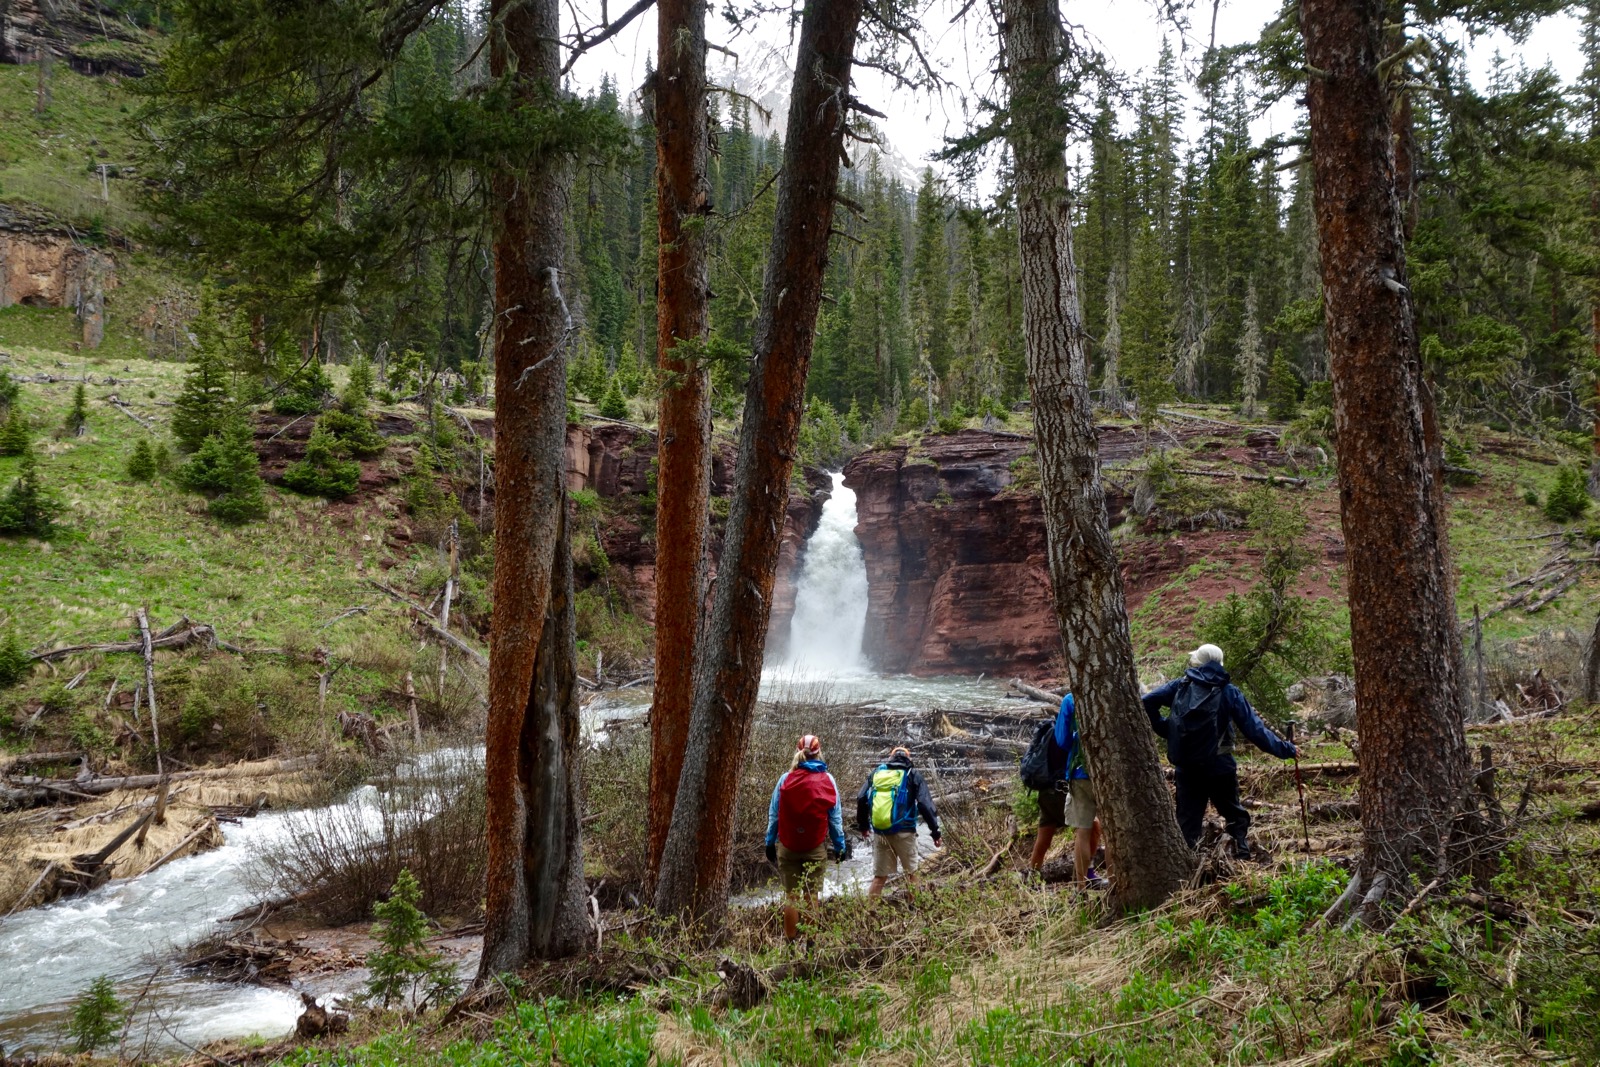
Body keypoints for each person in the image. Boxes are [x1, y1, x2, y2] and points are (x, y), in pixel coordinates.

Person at [1142, 643, 1299, 858]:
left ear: (1197, 662)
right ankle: (1242, 859)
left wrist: (1165, 729)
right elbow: (1255, 730)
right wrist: (1286, 750)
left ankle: (1188, 871)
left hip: (1187, 767)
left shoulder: (1180, 686)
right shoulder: (1229, 691)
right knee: (1234, 815)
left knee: (1188, 823)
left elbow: (1147, 702)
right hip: (1219, 765)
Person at [765, 734, 847, 942]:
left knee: (791, 897)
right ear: (819, 753)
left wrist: (769, 842)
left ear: (797, 752)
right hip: (815, 846)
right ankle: (811, 946)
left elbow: (774, 814)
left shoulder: (785, 779)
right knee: (812, 897)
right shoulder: (828, 779)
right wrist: (840, 846)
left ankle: (791, 945)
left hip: (788, 846)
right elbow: (835, 819)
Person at [1027, 692, 1102, 887]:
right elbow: (1064, 745)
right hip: (1061, 788)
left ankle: (1032, 877)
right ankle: (1088, 875)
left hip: (1046, 791)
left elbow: (1063, 742)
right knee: (1091, 828)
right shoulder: (1070, 730)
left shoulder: (1059, 723)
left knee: (1045, 833)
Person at [854, 746, 941, 898]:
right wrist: (935, 832)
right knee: (912, 874)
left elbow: (861, 798)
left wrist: (863, 826)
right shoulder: (912, 774)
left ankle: (869, 915)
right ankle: (914, 912)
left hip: (881, 832)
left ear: (890, 758)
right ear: (909, 758)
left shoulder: (877, 773)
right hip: (905, 832)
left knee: (880, 877)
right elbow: (925, 804)